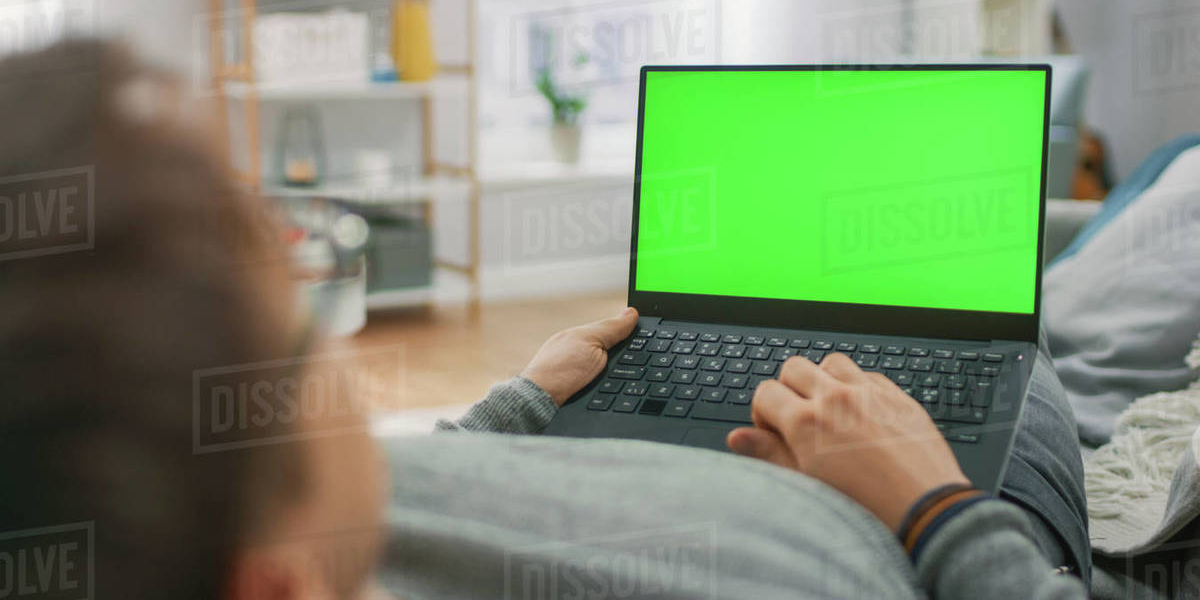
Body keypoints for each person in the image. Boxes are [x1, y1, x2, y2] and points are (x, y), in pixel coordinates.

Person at [0, 40, 1090, 599]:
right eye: (302, 332)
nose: (332, 351)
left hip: (760, 451)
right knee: (1030, 365)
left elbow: (408, 486)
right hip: (923, 523)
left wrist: (521, 401)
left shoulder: (225, 512)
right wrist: (934, 500)